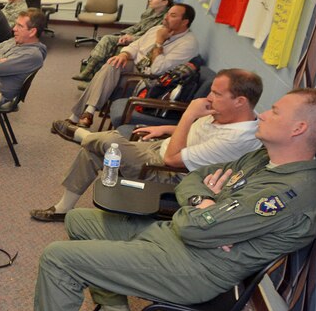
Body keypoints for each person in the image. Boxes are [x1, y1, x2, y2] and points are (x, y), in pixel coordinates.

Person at [0, 88, 316, 311]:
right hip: (185, 242)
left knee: (60, 258)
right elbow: (196, 180)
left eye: (275, 110)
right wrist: (204, 204)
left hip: (197, 269)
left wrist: (206, 211)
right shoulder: (265, 157)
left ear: (299, 128)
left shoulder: (289, 195)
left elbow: (193, 227)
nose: (264, 113)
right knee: (80, 220)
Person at [31, 69, 263, 221]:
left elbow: (173, 160)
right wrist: (166, 129)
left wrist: (188, 115)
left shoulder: (237, 139)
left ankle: (79, 134)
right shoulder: (232, 114)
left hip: (168, 172)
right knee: (93, 150)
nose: (209, 98)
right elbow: (198, 134)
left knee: (110, 141)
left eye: (216, 93)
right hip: (162, 148)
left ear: (240, 101)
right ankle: (63, 208)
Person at [54, 2, 199, 133]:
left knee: (105, 75)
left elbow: (157, 70)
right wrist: (124, 55)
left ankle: (76, 116)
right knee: (113, 64)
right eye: (167, 13)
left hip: (149, 79)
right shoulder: (158, 29)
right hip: (135, 65)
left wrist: (159, 42)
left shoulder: (187, 44)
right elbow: (135, 46)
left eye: (172, 15)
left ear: (185, 22)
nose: (166, 18)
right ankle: (88, 113)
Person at [75, 0, 174, 82]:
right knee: (109, 39)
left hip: (142, 43)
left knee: (107, 39)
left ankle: (89, 71)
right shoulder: (150, 12)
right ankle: (92, 71)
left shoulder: (165, 19)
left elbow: (150, 38)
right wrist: (125, 34)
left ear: (165, 2)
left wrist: (131, 38)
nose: (150, 0)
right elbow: (138, 26)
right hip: (134, 37)